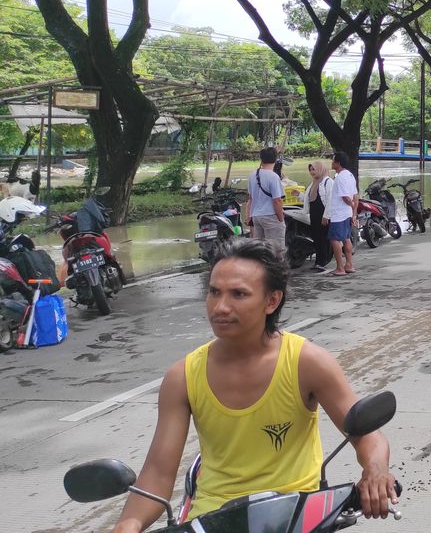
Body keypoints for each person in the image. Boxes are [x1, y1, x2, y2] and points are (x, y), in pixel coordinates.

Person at [106, 239, 398, 533]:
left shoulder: (307, 362)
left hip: (295, 516)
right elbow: (158, 473)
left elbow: (367, 437)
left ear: (272, 301)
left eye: (239, 294)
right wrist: (128, 524)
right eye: (214, 292)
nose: (220, 307)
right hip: (212, 519)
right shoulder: (182, 377)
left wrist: (375, 469)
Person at [247, 147, 285, 252]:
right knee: (276, 249)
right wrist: (281, 219)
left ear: (261, 158)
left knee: (259, 249)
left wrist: (248, 216)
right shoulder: (273, 176)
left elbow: (250, 198)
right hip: (270, 216)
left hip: (256, 216)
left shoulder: (252, 175)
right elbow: (277, 200)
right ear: (275, 159)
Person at [327, 152, 358, 277]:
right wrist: (354, 212)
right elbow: (355, 195)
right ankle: (349, 265)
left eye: (333, 160)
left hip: (338, 213)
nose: (332, 162)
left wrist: (351, 205)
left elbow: (346, 197)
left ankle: (340, 267)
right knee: (346, 238)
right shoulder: (350, 175)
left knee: (334, 240)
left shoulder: (340, 177)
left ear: (338, 163)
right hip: (347, 213)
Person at [306, 162, 334, 272]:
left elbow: (330, 200)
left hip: (323, 214)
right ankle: (318, 262)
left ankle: (323, 262)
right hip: (314, 215)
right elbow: (309, 198)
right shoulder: (313, 183)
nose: (312, 172)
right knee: (316, 238)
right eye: (310, 170)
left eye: (314, 169)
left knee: (323, 238)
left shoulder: (328, 182)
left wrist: (326, 216)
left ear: (320, 169)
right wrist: (298, 194)